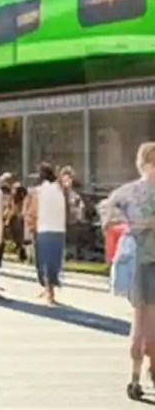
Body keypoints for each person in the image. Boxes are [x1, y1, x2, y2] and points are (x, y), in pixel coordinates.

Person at [100, 142, 155, 400]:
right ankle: (152, 370)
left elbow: (105, 210)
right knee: (151, 321)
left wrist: (130, 224)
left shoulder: (128, 191)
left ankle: (134, 378)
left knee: (140, 320)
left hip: (136, 258)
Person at [26, 161, 67, 304]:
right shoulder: (60, 189)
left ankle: (49, 291)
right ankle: (50, 290)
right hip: (59, 229)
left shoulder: (38, 191)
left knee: (43, 261)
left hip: (43, 229)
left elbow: (31, 211)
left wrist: (30, 226)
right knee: (54, 261)